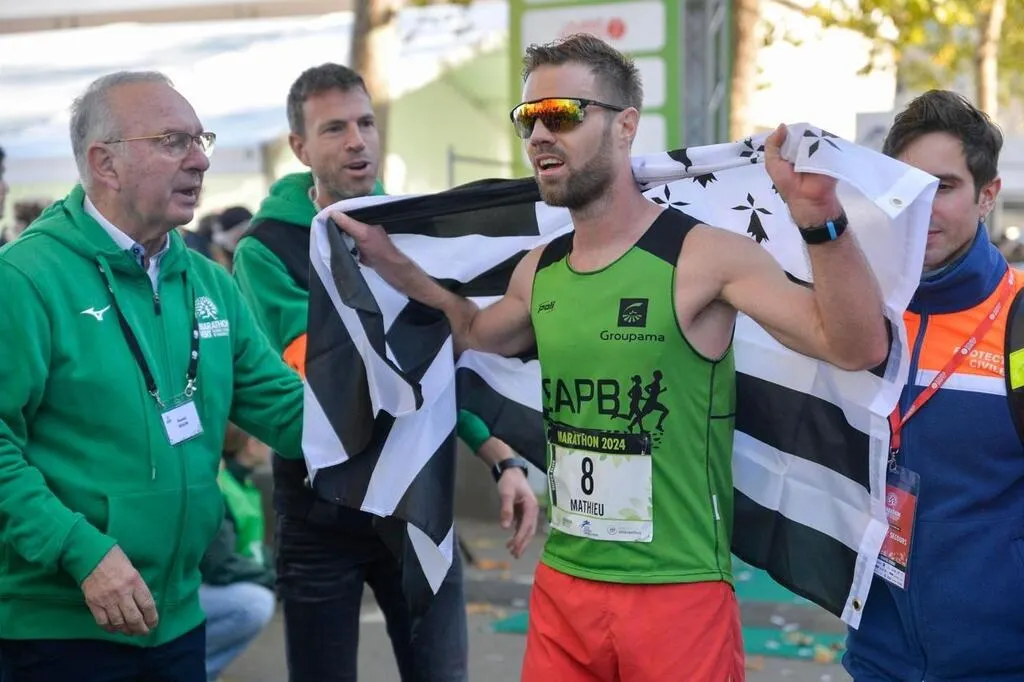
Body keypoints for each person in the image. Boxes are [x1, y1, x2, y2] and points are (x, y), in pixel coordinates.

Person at [333, 34, 889, 682]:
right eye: (528, 118)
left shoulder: (703, 256)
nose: (541, 134)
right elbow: (476, 334)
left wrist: (820, 218)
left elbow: (855, 346)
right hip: (564, 588)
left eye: (562, 114)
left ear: (625, 126)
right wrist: (396, 267)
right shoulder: (541, 269)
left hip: (677, 593)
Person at [231, 62, 539, 682]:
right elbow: (331, 368)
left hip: (417, 504)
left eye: (366, 123)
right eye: (335, 128)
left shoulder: (415, 229)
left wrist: (503, 460)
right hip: (321, 514)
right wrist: (427, 322)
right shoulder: (266, 248)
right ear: (299, 147)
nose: (357, 141)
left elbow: (456, 361)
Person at [0, 70, 305, 682]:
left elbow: (289, 412)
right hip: (57, 629)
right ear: (104, 163)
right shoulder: (25, 278)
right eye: (173, 141)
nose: (200, 160)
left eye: (201, 140)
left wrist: (413, 390)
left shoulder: (208, 282)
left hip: (177, 618)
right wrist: (81, 552)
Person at [842, 90, 1024, 681]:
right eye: (908, 187)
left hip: (1000, 661)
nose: (922, 208)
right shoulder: (857, 312)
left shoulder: (1018, 319)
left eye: (943, 187)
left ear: (987, 195)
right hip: (877, 656)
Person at [199, 425, 276, 682]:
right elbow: (218, 565)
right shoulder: (221, 485)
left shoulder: (243, 483)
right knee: (256, 604)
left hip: (218, 582)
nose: (270, 447)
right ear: (251, 444)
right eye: (264, 441)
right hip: (201, 585)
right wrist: (270, 578)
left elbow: (253, 548)